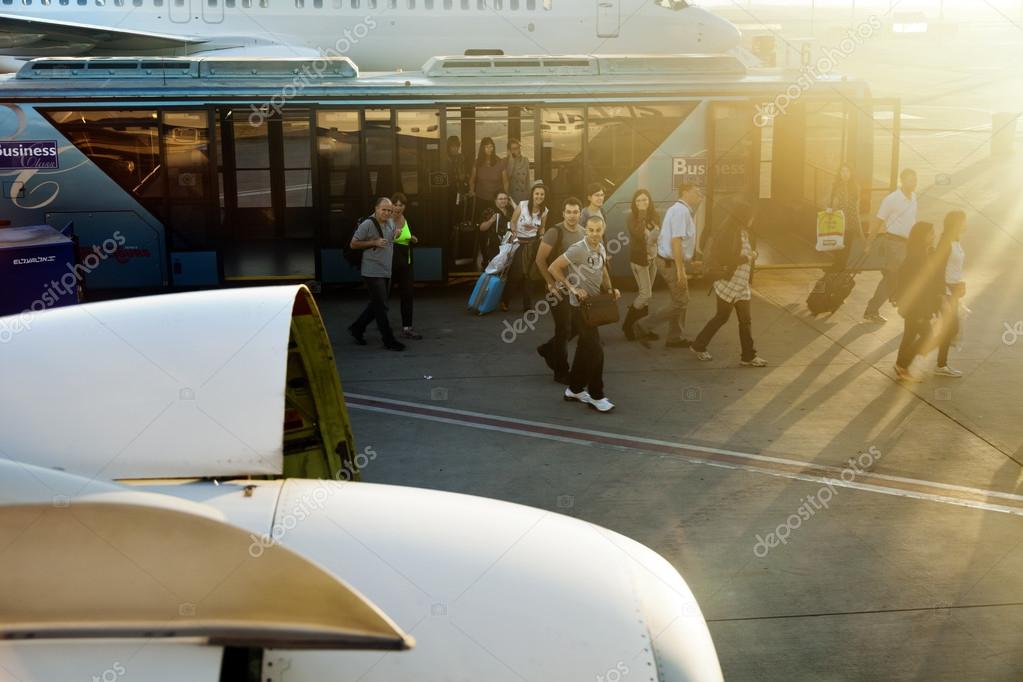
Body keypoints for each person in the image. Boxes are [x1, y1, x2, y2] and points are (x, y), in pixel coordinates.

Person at [549, 216, 621, 413]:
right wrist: (572, 288)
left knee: (584, 349)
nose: (594, 234)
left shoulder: (601, 247)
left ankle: (574, 389)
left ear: (603, 230)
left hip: (594, 307)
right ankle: (597, 395)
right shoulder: (578, 248)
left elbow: (603, 270)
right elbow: (553, 267)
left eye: (598, 230)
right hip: (579, 307)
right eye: (591, 230)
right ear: (586, 230)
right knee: (596, 350)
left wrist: (611, 289)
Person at [690, 200, 768, 367]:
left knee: (745, 321)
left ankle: (748, 356)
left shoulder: (744, 232)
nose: (752, 220)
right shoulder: (728, 233)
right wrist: (748, 257)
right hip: (729, 282)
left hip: (741, 284)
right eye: (750, 217)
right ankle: (698, 346)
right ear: (744, 217)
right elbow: (724, 258)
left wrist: (752, 254)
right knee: (721, 317)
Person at [634, 182, 702, 348]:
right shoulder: (681, 211)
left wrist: (689, 261)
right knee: (681, 301)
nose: (699, 195)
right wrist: (681, 272)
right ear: (685, 192)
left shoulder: (680, 209)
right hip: (671, 264)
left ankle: (675, 337)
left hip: (671, 261)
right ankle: (643, 325)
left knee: (678, 299)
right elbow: (676, 241)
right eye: (696, 192)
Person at [535, 197, 586, 384]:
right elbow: (540, 260)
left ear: (580, 214)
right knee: (563, 329)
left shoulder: (583, 232)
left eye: (575, 212)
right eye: (569, 212)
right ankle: (561, 372)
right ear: (563, 213)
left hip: (576, 288)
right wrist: (550, 283)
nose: (572, 215)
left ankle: (548, 348)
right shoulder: (554, 232)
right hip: (557, 289)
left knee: (578, 326)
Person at [348, 197, 405, 352]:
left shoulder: (391, 221)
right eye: (383, 210)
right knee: (382, 306)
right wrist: (373, 242)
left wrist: (396, 233)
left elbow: (390, 237)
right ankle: (389, 340)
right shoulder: (368, 224)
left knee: (377, 304)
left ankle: (357, 328)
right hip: (372, 271)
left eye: (389, 210)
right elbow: (353, 244)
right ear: (376, 209)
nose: (387, 213)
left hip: (386, 269)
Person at [864, 168, 918, 324]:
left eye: (915, 180)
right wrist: (869, 243)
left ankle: (886, 302)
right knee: (894, 277)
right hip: (894, 243)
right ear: (902, 181)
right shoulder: (891, 199)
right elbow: (878, 221)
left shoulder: (914, 197)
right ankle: (881, 305)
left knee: (895, 278)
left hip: (908, 244)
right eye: (910, 180)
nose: (913, 183)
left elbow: (911, 221)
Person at [893, 221, 944, 381]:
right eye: (931, 233)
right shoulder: (918, 257)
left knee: (909, 335)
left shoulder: (920, 252)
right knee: (926, 335)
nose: (933, 236)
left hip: (913, 305)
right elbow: (917, 283)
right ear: (922, 235)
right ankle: (903, 364)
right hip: (917, 305)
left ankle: (901, 366)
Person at [502, 181, 549, 311]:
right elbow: (512, 221)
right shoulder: (522, 205)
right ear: (532, 194)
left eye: (542, 194)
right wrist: (514, 231)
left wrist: (542, 236)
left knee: (530, 275)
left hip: (533, 244)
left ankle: (527, 306)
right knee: (516, 274)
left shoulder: (544, 210)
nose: (539, 196)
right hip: (519, 243)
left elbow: (542, 227)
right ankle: (505, 301)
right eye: (537, 193)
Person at [621, 189, 661, 341]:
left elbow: (659, 235)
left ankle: (643, 328)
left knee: (646, 297)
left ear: (649, 201)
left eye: (644, 200)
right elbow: (638, 234)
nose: (642, 203)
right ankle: (627, 325)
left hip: (652, 259)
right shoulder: (632, 217)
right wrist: (642, 215)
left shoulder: (655, 216)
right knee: (646, 294)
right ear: (634, 203)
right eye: (638, 201)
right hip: (639, 261)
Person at [934, 210, 967, 377]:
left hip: (953, 291)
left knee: (951, 328)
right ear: (955, 223)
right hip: (945, 291)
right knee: (951, 327)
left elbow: (954, 268)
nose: (965, 224)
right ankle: (939, 363)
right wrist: (942, 294)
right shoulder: (945, 242)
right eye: (963, 221)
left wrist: (960, 284)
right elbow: (937, 269)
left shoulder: (956, 241)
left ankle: (941, 364)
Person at [390, 192, 422, 341]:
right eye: (395, 204)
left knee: (408, 294)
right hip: (390, 263)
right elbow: (381, 240)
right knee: (382, 295)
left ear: (405, 207)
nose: (398, 208)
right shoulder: (387, 220)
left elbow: (407, 237)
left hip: (406, 262)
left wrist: (412, 238)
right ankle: (374, 322)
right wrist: (392, 237)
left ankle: (407, 328)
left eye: (401, 205)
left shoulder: (406, 219)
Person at [829, 163, 864, 271]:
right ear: (839, 173)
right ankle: (836, 274)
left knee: (846, 252)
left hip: (851, 225)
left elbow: (856, 209)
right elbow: (832, 205)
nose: (845, 174)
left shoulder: (856, 188)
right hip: (838, 224)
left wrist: (860, 231)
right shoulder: (836, 186)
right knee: (838, 252)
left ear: (851, 173)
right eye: (842, 171)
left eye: (847, 171)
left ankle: (840, 276)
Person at [468, 136, 508, 214]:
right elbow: (472, 180)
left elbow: (506, 181)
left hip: (496, 200)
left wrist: (505, 197)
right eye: (487, 147)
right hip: (481, 199)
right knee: (482, 223)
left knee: (496, 223)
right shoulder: (477, 163)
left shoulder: (500, 162)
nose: (490, 149)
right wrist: (471, 191)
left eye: (491, 146)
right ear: (482, 149)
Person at [478, 191, 514, 265]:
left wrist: (512, 202)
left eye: (505, 199)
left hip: (508, 242)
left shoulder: (510, 210)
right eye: (500, 199)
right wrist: (491, 220)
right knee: (493, 265)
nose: (503, 200)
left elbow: (520, 212)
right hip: (494, 243)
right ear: (495, 200)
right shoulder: (490, 210)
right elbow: (481, 228)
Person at [506, 138, 531, 203]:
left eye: (518, 148)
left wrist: (529, 195)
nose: (518, 150)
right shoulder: (506, 161)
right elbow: (508, 176)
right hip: (513, 197)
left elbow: (527, 180)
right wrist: (511, 160)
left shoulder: (525, 160)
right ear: (510, 150)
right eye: (514, 149)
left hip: (524, 196)